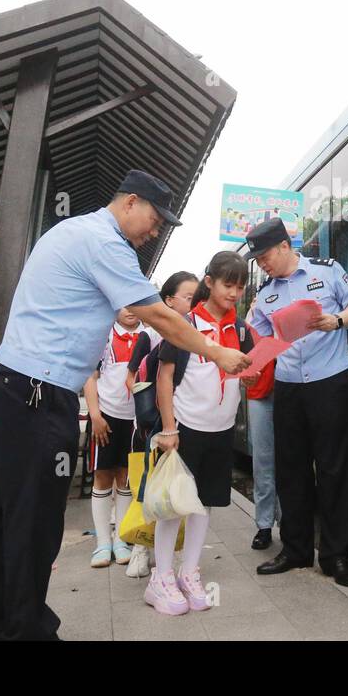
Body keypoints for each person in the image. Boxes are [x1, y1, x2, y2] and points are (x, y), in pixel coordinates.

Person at [0, 171, 250, 641]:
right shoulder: (105, 242)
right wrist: (215, 351)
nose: (153, 232)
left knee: (3, 519)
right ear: (130, 202)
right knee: (33, 525)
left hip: (18, 386)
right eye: (154, 221)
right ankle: (27, 632)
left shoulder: (74, 231)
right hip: (37, 393)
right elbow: (156, 314)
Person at [243, 217, 348, 587]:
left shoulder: (327, 271)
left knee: (332, 469)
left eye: (264, 256)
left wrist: (338, 320)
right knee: (291, 470)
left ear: (284, 246)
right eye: (257, 259)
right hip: (288, 387)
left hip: (328, 381)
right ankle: (295, 549)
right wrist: (251, 365)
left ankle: (337, 557)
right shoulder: (265, 293)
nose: (261, 264)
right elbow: (262, 342)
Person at [144, 251, 254, 615]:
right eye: (228, 285)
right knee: (176, 504)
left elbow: (247, 369)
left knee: (203, 504)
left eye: (240, 287)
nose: (234, 293)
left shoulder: (240, 329)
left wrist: (250, 372)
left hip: (221, 430)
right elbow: (164, 377)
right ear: (209, 282)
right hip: (186, 427)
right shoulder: (185, 324)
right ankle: (160, 578)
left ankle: (189, 572)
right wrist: (169, 427)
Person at [121, 270, 198, 579]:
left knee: (180, 487)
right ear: (169, 301)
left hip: (187, 421)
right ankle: (140, 547)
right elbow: (133, 377)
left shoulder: (198, 332)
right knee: (150, 484)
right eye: (190, 298)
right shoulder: (150, 335)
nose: (196, 304)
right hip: (156, 422)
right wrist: (149, 410)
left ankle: (175, 552)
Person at [82, 307, 143, 569]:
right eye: (124, 306)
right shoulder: (103, 336)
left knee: (125, 476)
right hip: (105, 418)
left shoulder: (148, 336)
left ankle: (121, 539)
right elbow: (90, 376)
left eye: (134, 305)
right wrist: (95, 415)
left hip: (135, 419)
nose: (129, 311)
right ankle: (103, 543)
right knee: (102, 475)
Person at [242, 355, 279, 549]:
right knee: (262, 460)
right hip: (260, 387)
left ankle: (287, 521)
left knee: (290, 458)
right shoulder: (253, 325)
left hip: (294, 383)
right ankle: (264, 525)